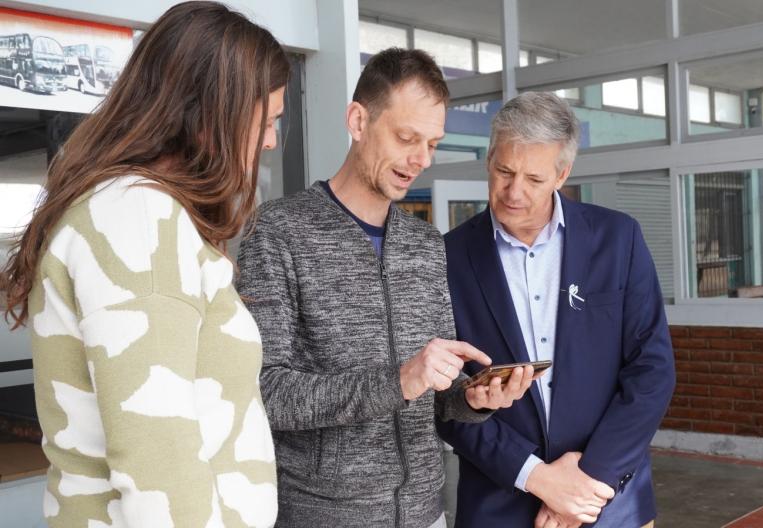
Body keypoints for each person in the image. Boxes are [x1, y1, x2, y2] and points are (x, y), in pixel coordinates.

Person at [0, 2, 288, 526]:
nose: (270, 141)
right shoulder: (139, 217)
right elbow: (159, 460)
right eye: (267, 121)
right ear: (212, 114)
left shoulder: (131, 209)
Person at [236, 47, 539, 528]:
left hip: (426, 514)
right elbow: (266, 391)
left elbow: (438, 394)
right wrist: (397, 382)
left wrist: (473, 399)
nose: (420, 159)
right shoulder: (276, 233)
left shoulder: (424, 244)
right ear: (358, 120)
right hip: (324, 517)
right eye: (406, 138)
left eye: (433, 144)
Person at [437, 92, 676, 528]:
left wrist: (587, 481)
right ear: (489, 158)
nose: (513, 192)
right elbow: (443, 400)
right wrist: (538, 479)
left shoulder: (618, 239)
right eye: (504, 171)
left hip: (609, 502)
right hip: (499, 503)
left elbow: (652, 370)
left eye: (533, 178)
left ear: (562, 173)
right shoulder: (445, 257)